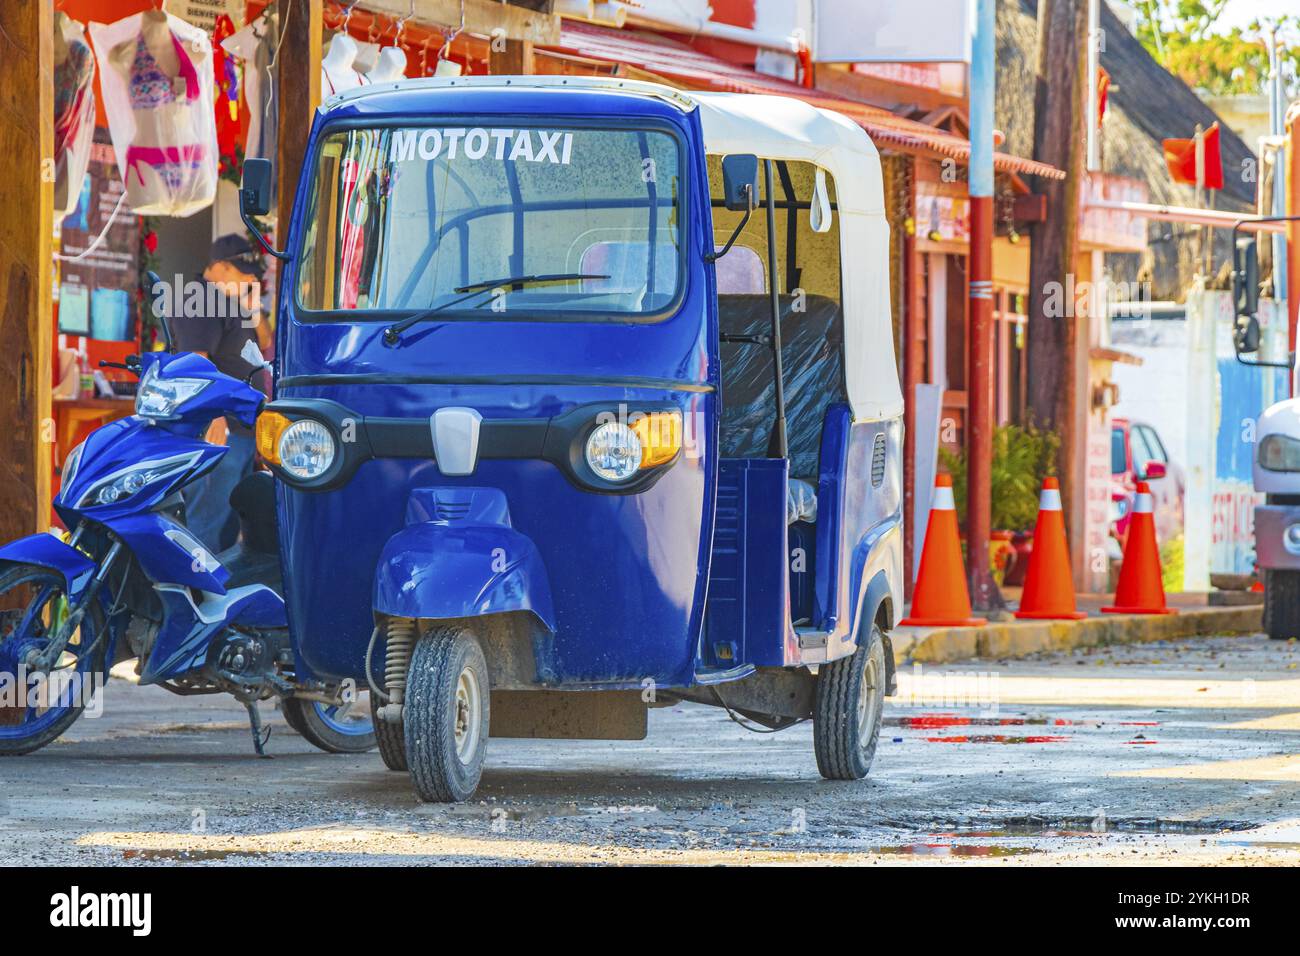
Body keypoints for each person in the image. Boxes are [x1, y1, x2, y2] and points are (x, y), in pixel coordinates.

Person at [171, 234, 270, 555]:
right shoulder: (199, 297)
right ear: (219, 268)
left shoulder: (231, 302)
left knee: (227, 534)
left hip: (240, 431)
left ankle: (217, 601)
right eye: (242, 270)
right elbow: (197, 362)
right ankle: (194, 600)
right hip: (218, 429)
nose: (250, 277)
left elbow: (266, 346)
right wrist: (215, 416)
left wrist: (253, 308)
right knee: (207, 533)